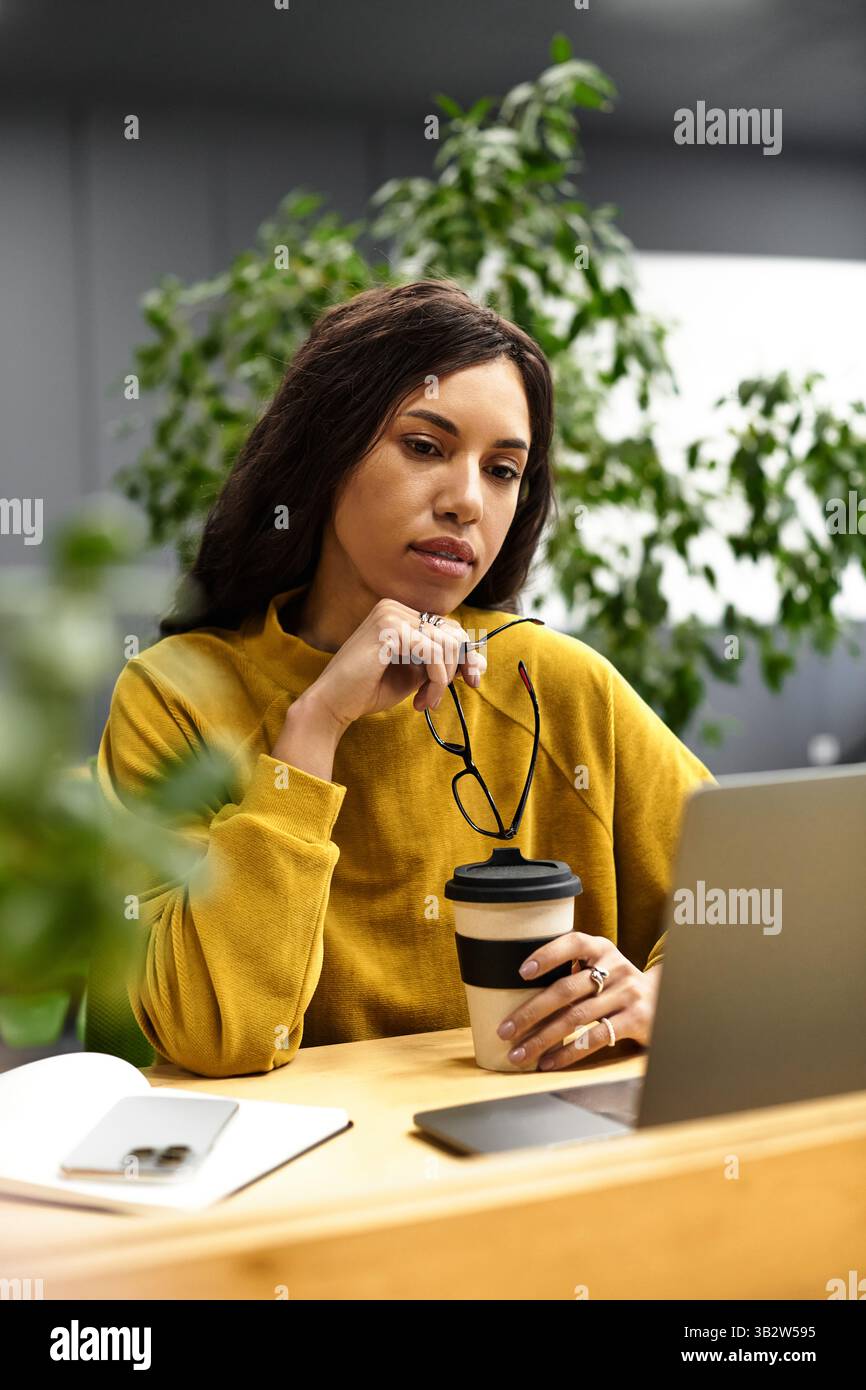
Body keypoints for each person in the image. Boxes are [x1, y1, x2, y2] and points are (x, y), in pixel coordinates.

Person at [96, 278, 714, 1079]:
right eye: (425, 447)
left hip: (551, 1163)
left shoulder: (552, 682)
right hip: (305, 1187)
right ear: (326, 451)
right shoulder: (175, 697)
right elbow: (225, 1037)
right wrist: (314, 725)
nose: (466, 502)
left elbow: (772, 897)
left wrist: (665, 993)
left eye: (502, 470)